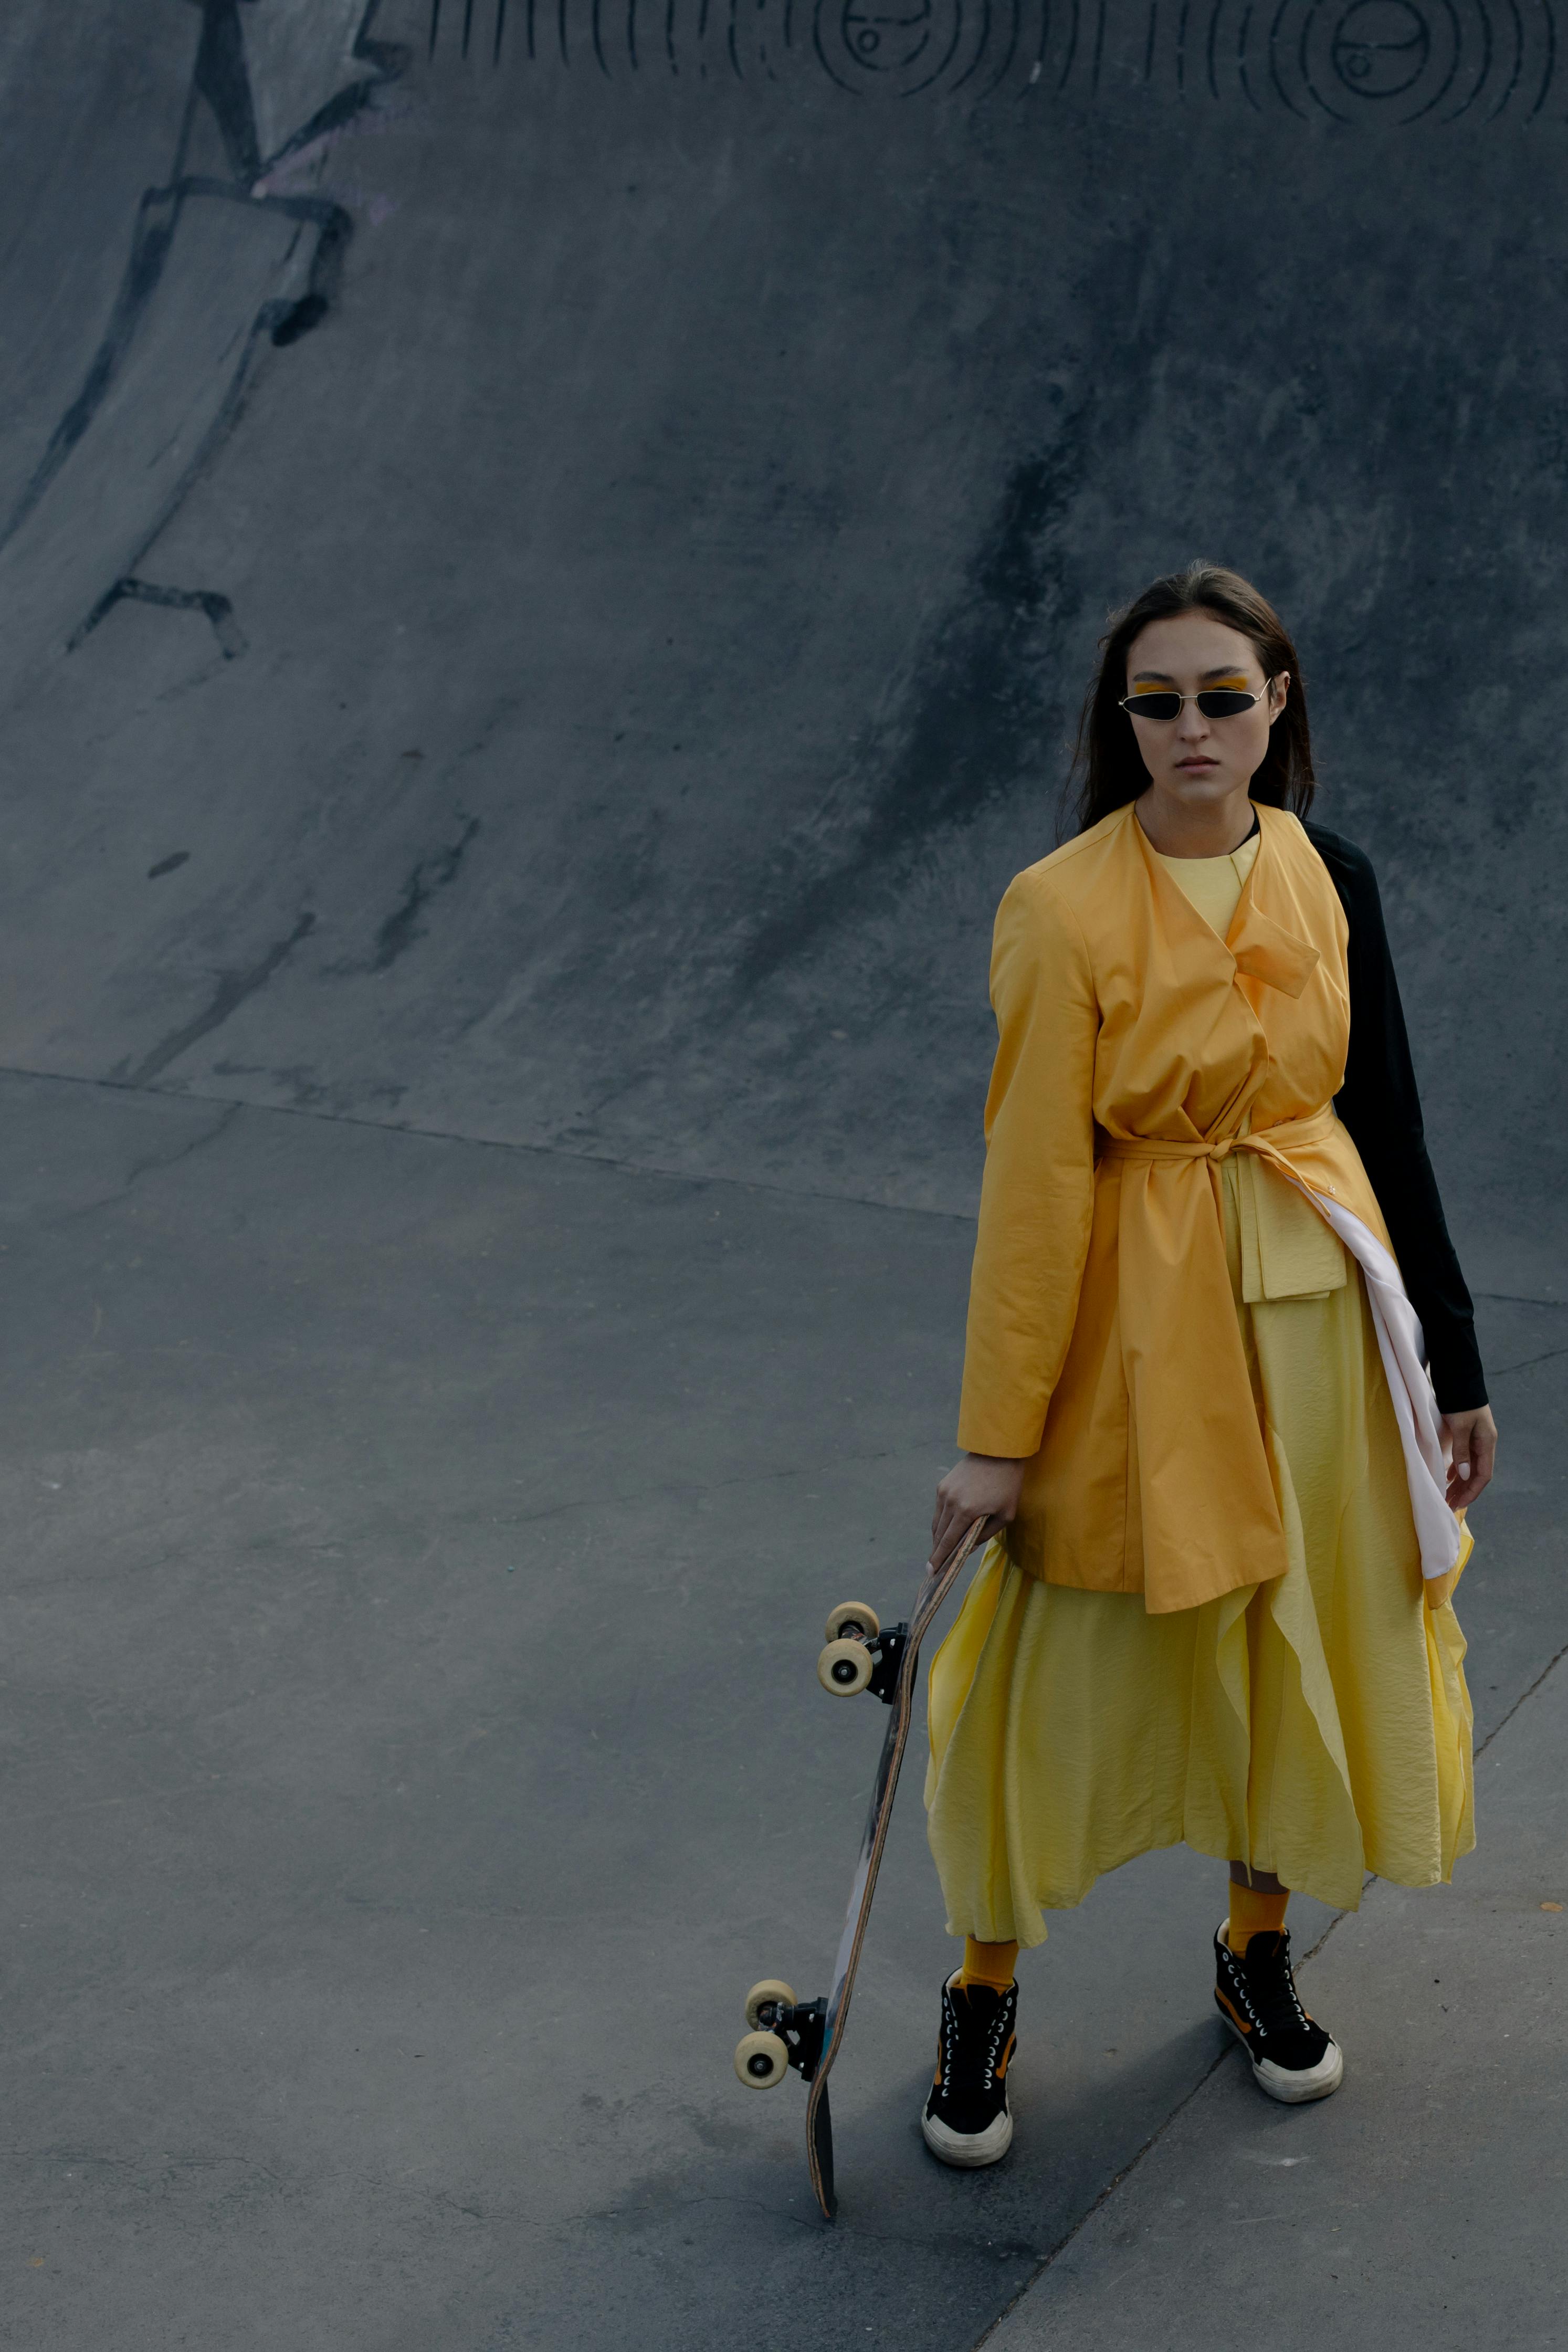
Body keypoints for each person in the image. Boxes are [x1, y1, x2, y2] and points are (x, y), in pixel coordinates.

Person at [919, 562, 1496, 2169]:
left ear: (1276, 705)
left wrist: (1452, 1364)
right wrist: (997, 1440)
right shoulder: (1056, 907)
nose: (1191, 726)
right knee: (1069, 1648)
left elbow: (1387, 1118)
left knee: (1292, 1630)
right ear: (1124, 721)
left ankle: (1254, 1951)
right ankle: (982, 1986)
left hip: (1319, 1306)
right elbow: (1029, 1187)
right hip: (1133, 1325)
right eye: (1157, 701)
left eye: (1221, 697)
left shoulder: (1335, 876)